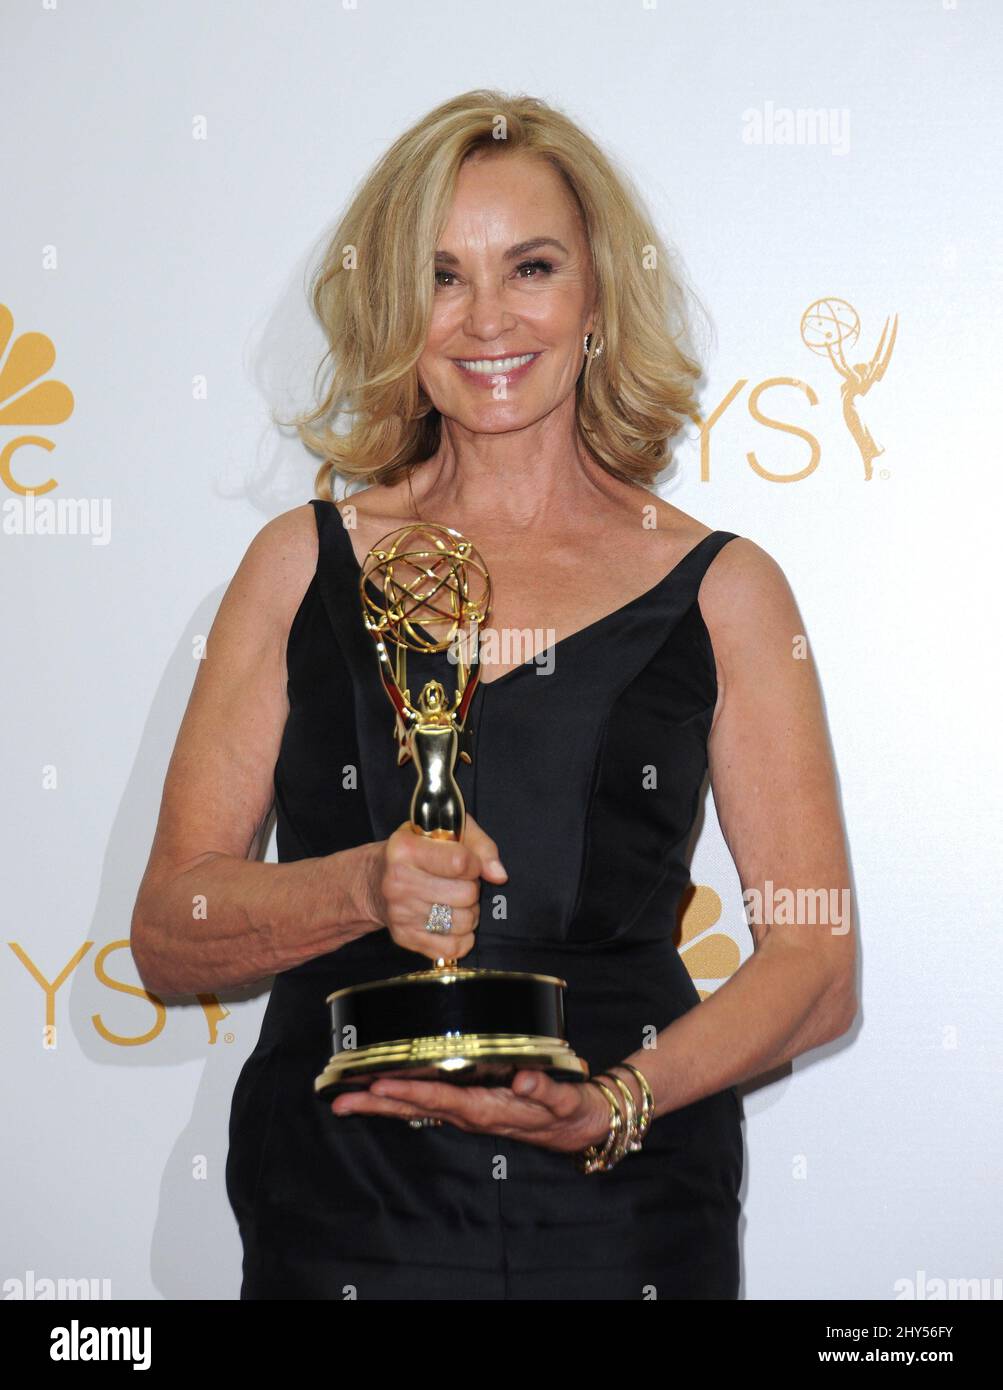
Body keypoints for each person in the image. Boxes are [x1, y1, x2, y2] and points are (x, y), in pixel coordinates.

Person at [131, 89, 857, 1300]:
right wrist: (361, 883)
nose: (486, 320)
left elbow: (816, 964)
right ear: (392, 309)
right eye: (441, 277)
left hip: (624, 1209)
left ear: (594, 300)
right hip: (345, 1206)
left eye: (529, 267)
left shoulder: (725, 590)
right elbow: (167, 934)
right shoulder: (294, 567)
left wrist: (616, 1102)